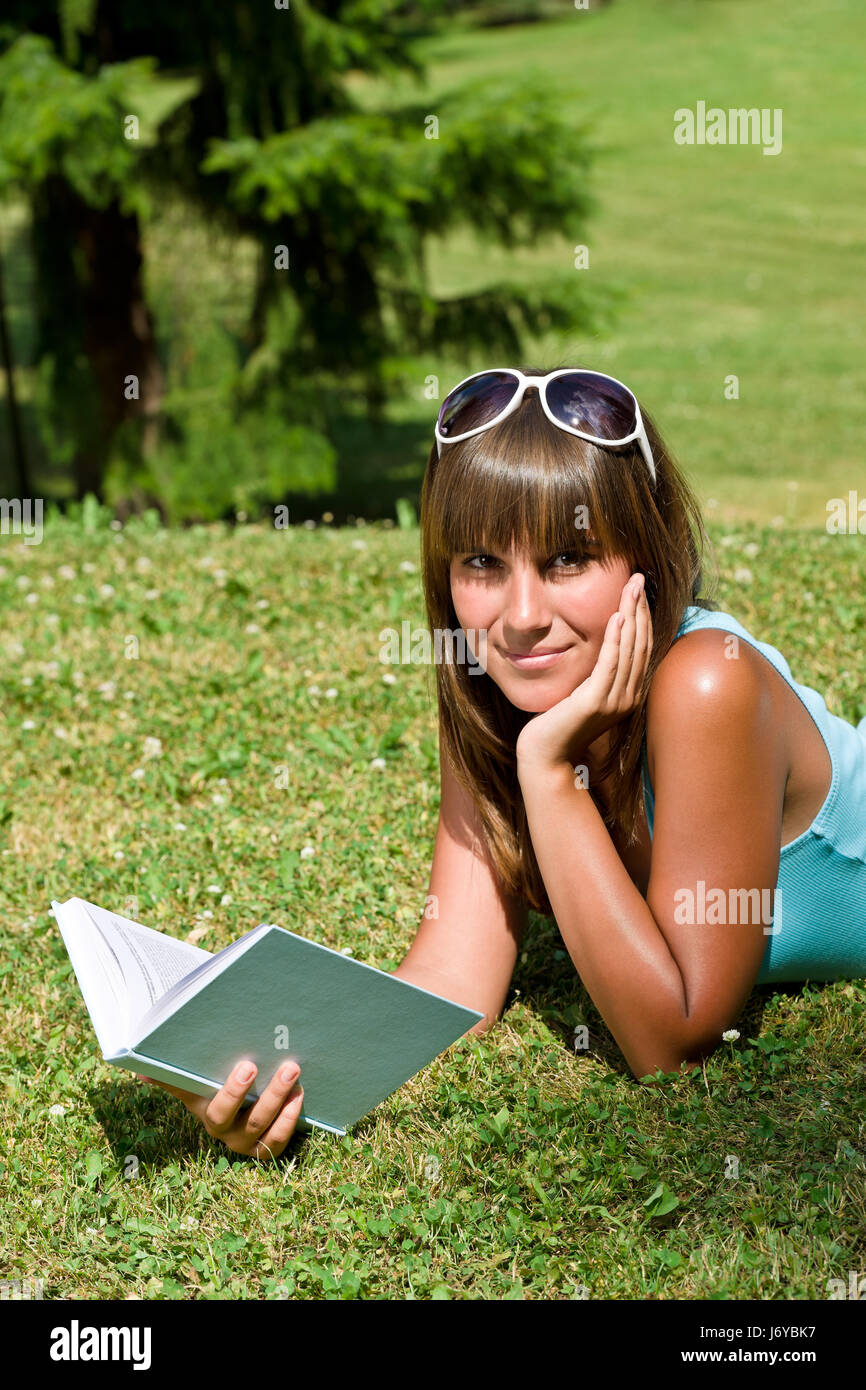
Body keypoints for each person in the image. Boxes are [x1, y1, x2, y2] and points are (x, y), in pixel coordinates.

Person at [142, 363, 866, 1159]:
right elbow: (456, 982)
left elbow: (677, 1043)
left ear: (648, 560)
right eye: (482, 563)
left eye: (567, 560)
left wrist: (548, 770)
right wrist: (268, 1075)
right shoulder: (497, 690)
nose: (521, 618)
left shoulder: (706, 681)